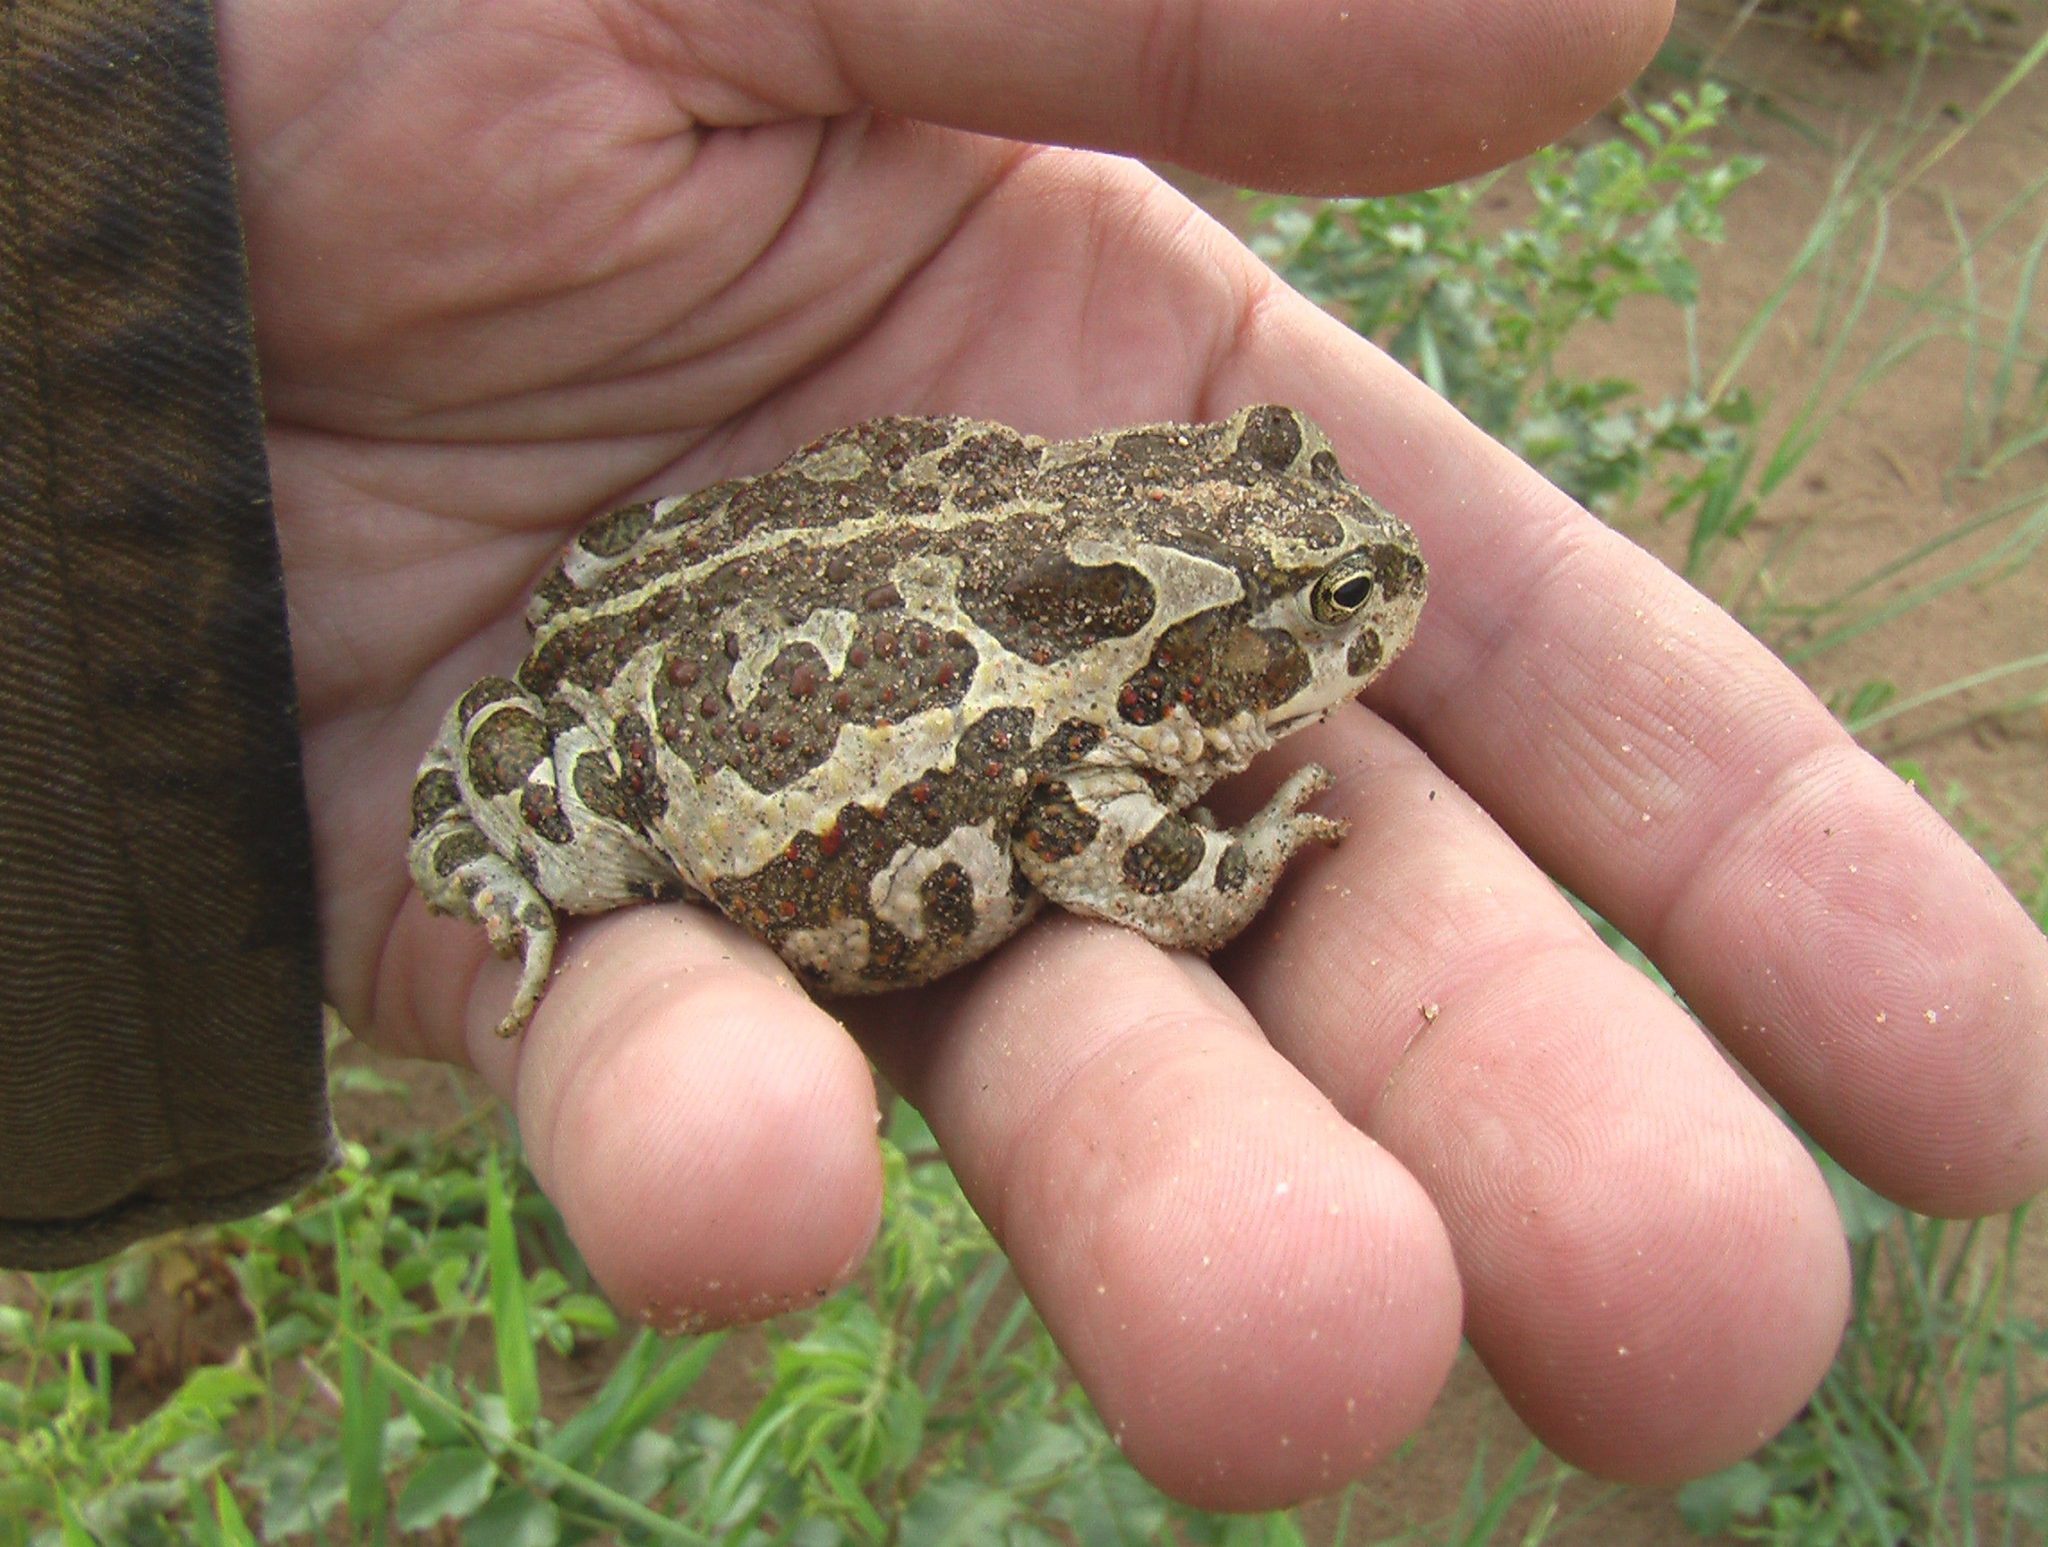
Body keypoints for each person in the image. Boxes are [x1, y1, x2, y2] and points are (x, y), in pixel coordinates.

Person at [11, 0, 2046, 1515]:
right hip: (656, 721)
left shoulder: (1102, 607)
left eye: (1334, 588)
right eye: (1311, 616)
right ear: (1208, 653)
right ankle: (531, 857)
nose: (1358, 619)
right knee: (580, 838)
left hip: (678, 571)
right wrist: (1226, 872)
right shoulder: (1100, 734)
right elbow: (1099, 831)